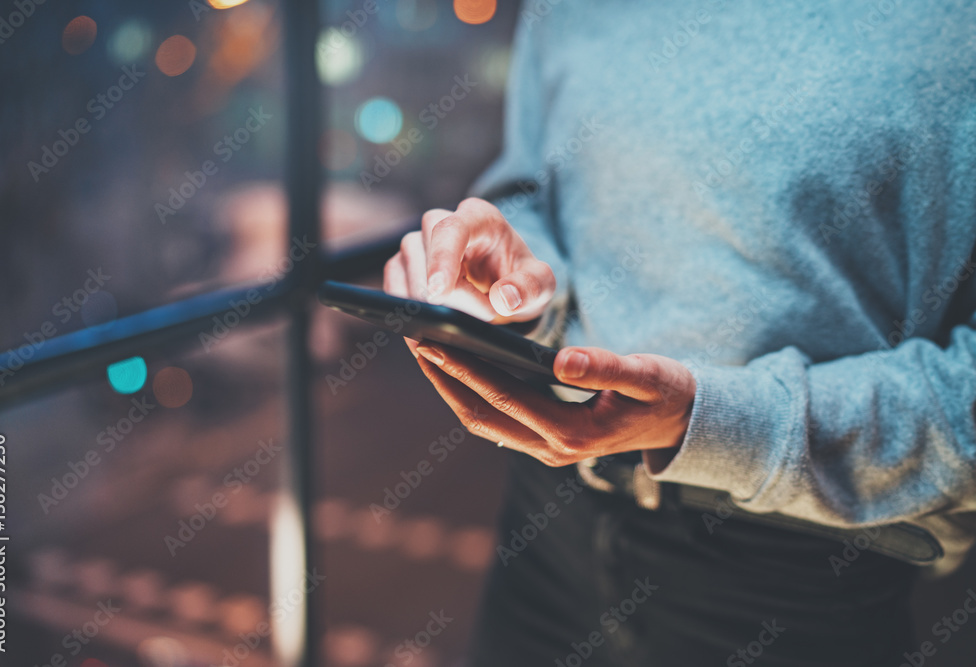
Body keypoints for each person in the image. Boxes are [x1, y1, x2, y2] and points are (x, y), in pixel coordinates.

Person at [383, 1, 976, 664]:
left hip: (805, 560)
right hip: (548, 520)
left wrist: (714, 420)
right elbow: (532, 190)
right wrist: (513, 285)